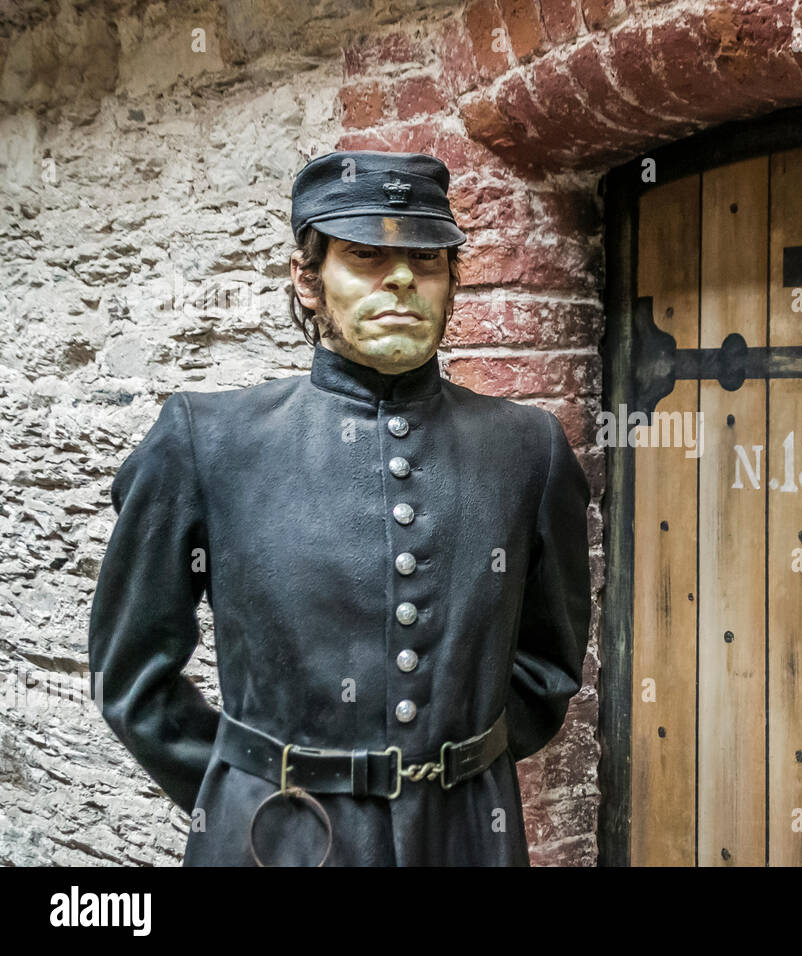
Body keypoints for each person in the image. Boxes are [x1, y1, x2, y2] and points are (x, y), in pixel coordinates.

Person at [88, 150, 591, 866]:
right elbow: (131, 677)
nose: (402, 279)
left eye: (427, 260)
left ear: (452, 280)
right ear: (308, 278)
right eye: (365, 255)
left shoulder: (528, 449)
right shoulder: (207, 441)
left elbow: (549, 665)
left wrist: (457, 768)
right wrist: (245, 790)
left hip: (464, 840)